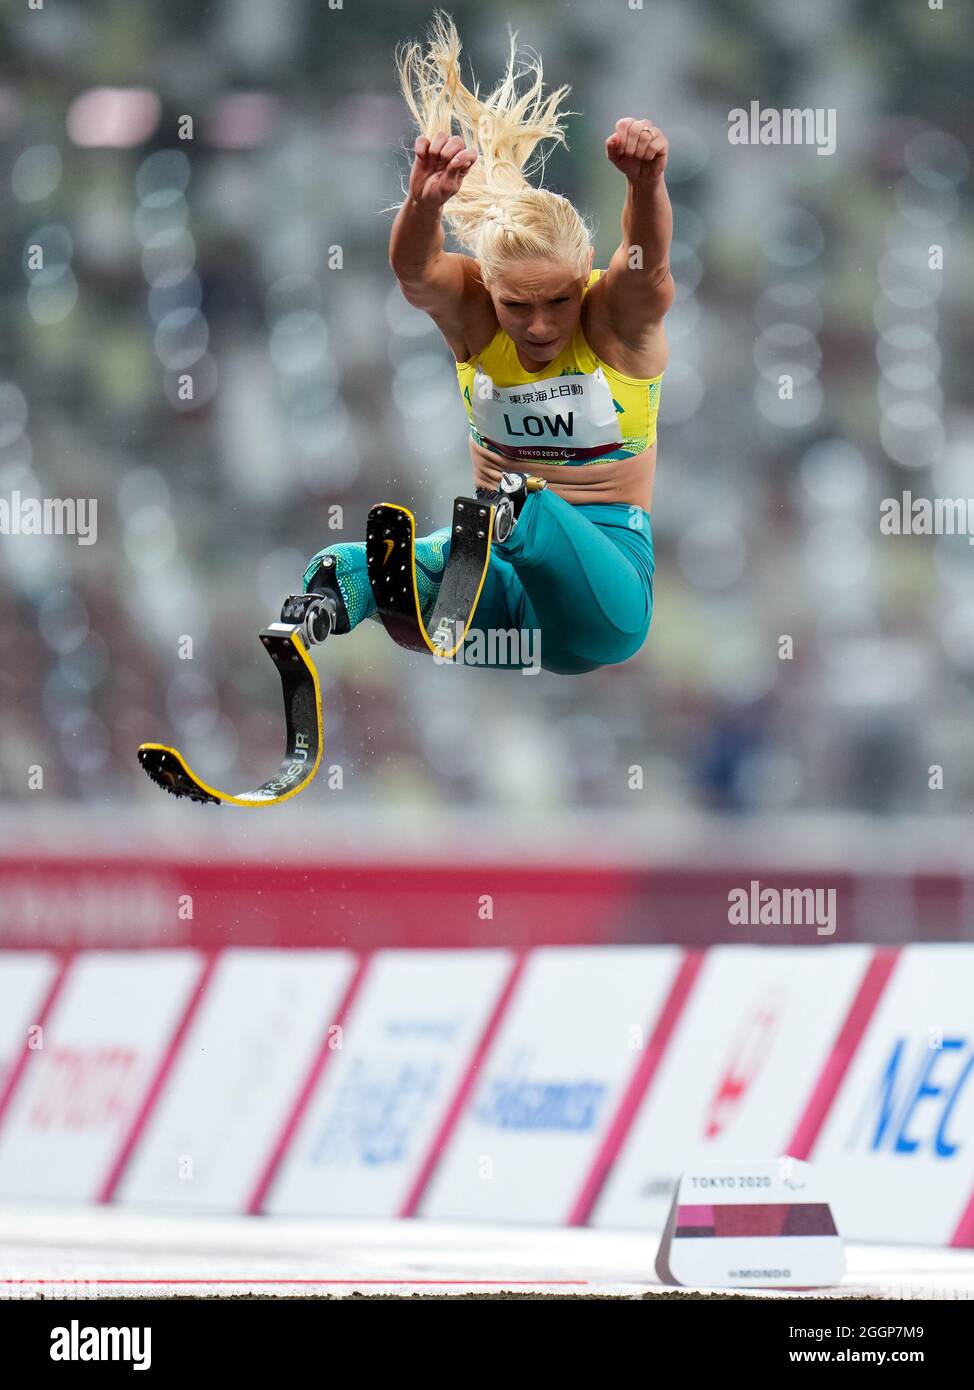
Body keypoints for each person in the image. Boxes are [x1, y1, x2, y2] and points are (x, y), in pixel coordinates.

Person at [302, 11, 673, 675]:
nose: (537, 326)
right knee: (363, 562)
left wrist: (645, 187)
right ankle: (329, 602)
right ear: (489, 287)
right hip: (501, 594)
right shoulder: (475, 317)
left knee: (585, 590)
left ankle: (514, 518)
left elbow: (648, 268)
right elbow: (416, 274)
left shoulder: (614, 322)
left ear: (584, 271)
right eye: (516, 306)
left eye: (559, 300)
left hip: (603, 581)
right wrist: (423, 204)